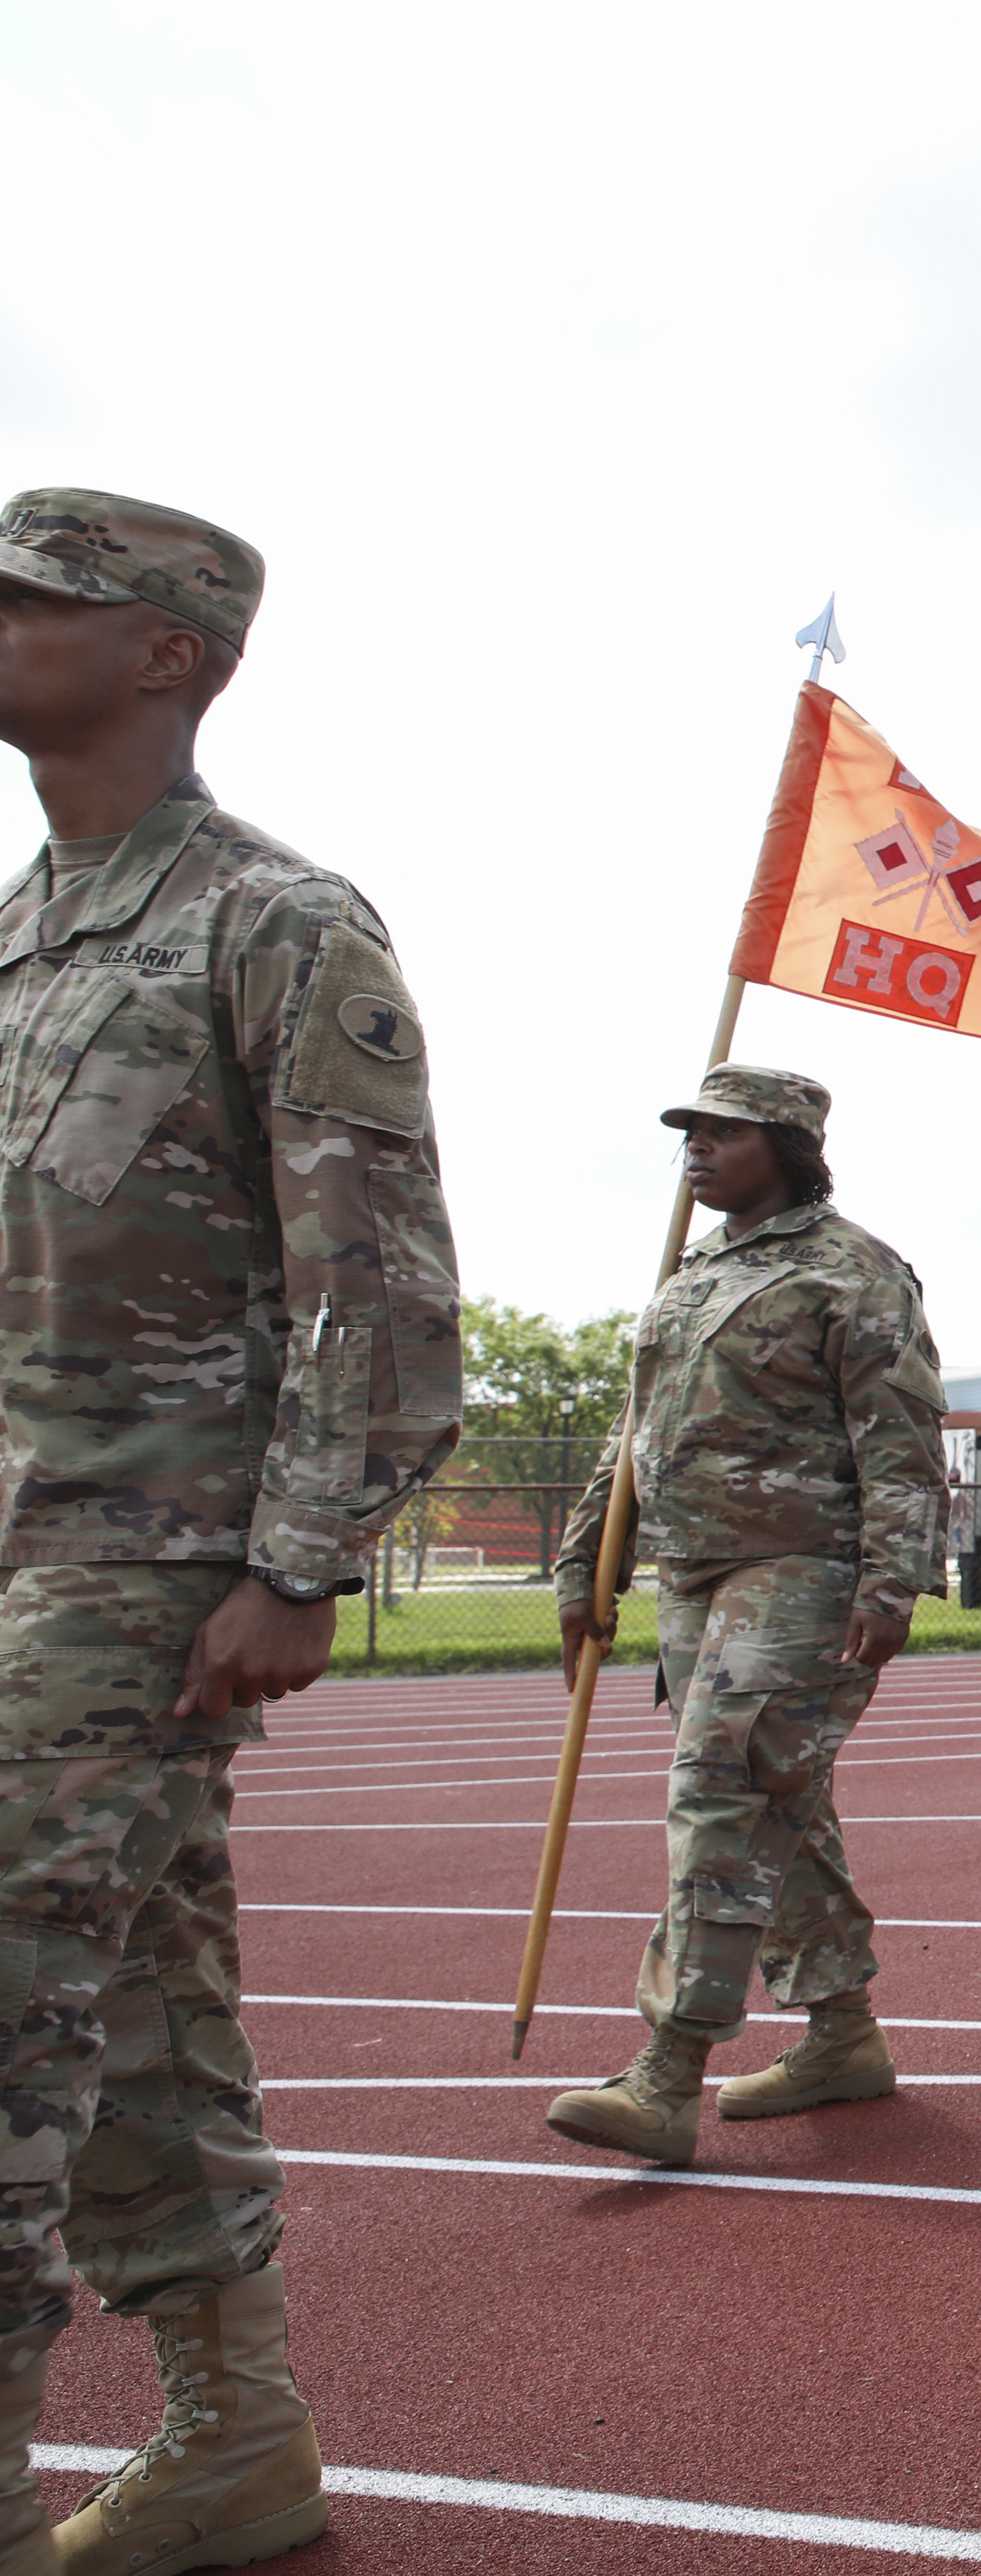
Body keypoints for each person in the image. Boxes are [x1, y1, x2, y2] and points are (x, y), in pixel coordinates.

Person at [0, 488, 463, 2575]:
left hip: (143, 1566)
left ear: (165, 652)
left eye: (34, 601)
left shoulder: (277, 921)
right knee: (150, 2008)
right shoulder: (24, 931)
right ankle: (236, 2442)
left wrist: (301, 1557)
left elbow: (376, 1269)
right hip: (19, 1552)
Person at [542, 1063, 945, 2173]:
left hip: (803, 1570)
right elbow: (634, 1440)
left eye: (725, 1132)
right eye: (692, 1132)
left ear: (789, 1144)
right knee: (782, 1805)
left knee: (723, 1795)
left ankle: (667, 2072)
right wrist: (586, 1563)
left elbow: (901, 1439)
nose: (698, 1148)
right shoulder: (686, 1279)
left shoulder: (855, 1272)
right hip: (690, 1574)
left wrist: (891, 1581)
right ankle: (842, 2037)